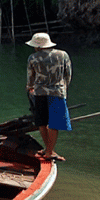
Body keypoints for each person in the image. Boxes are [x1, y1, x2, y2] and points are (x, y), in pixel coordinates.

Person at [25, 32, 72, 161]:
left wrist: (29, 87)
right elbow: (68, 74)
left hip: (39, 92)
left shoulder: (33, 58)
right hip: (57, 92)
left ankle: (49, 150)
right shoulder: (63, 55)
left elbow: (30, 77)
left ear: (38, 46)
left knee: (42, 122)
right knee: (54, 123)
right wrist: (64, 88)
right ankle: (49, 151)